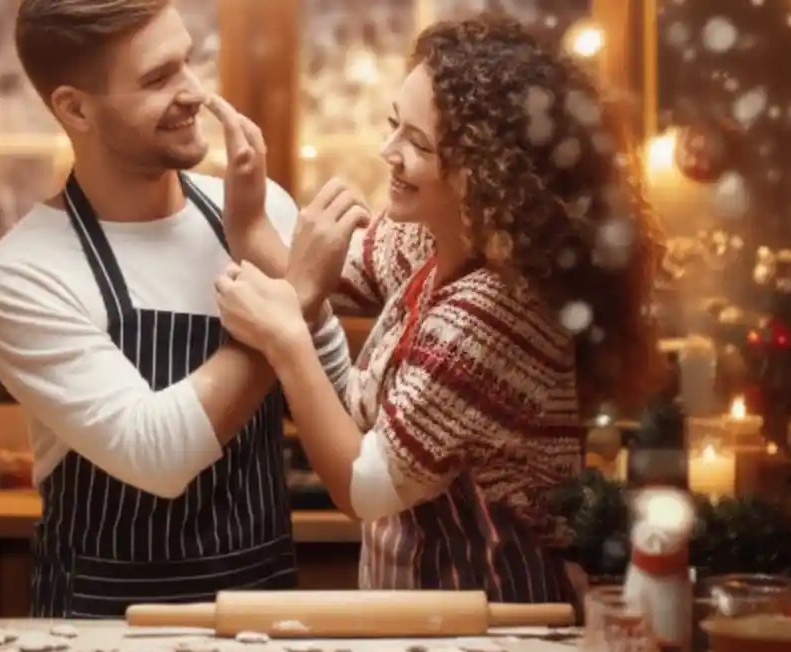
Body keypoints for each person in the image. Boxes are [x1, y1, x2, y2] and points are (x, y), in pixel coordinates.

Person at [214, 15, 665, 602]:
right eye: (393, 126)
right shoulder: (429, 240)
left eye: (419, 144)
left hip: (494, 609)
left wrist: (287, 342)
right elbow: (315, 275)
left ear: (487, 172)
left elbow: (363, 488)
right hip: (425, 606)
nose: (388, 152)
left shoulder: (495, 314)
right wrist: (250, 218)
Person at [0, 0, 352, 618]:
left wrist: (282, 274)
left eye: (187, 62)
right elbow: (159, 454)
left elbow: (344, 404)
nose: (194, 92)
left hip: (261, 616)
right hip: (101, 629)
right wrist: (295, 297)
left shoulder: (256, 212)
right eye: (158, 78)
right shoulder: (23, 276)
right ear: (75, 108)